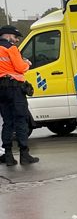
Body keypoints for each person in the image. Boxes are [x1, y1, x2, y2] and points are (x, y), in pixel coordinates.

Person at [0, 26, 37, 166]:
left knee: (7, 122)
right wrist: (26, 64)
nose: (15, 41)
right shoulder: (11, 48)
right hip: (15, 89)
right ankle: (24, 154)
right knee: (21, 120)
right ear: (8, 35)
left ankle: (8, 156)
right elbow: (20, 68)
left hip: (1, 90)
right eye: (15, 38)